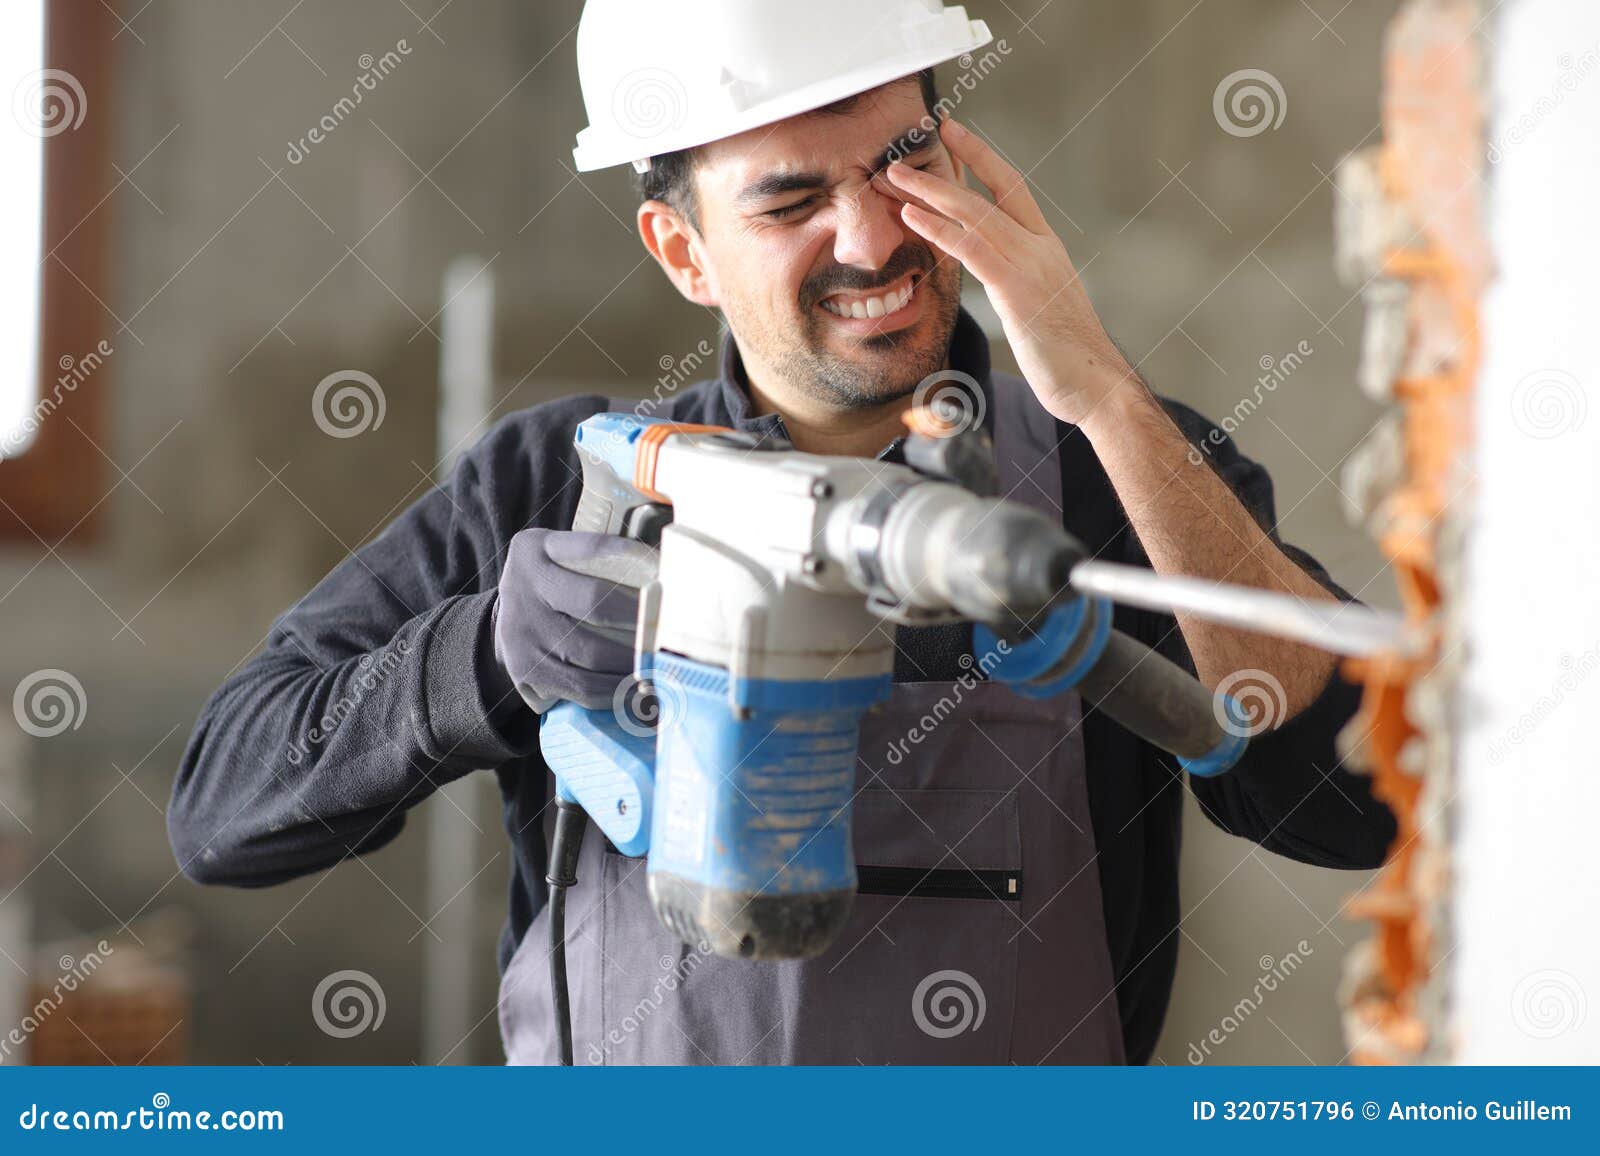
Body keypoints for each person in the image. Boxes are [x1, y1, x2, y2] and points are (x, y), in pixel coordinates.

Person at [170, 0, 1395, 1064]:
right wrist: (480, 659)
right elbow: (221, 807)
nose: (872, 239)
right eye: (792, 199)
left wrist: (1105, 397)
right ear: (682, 250)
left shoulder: (1105, 477)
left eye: (902, 161)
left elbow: (1353, 802)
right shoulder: (562, 487)